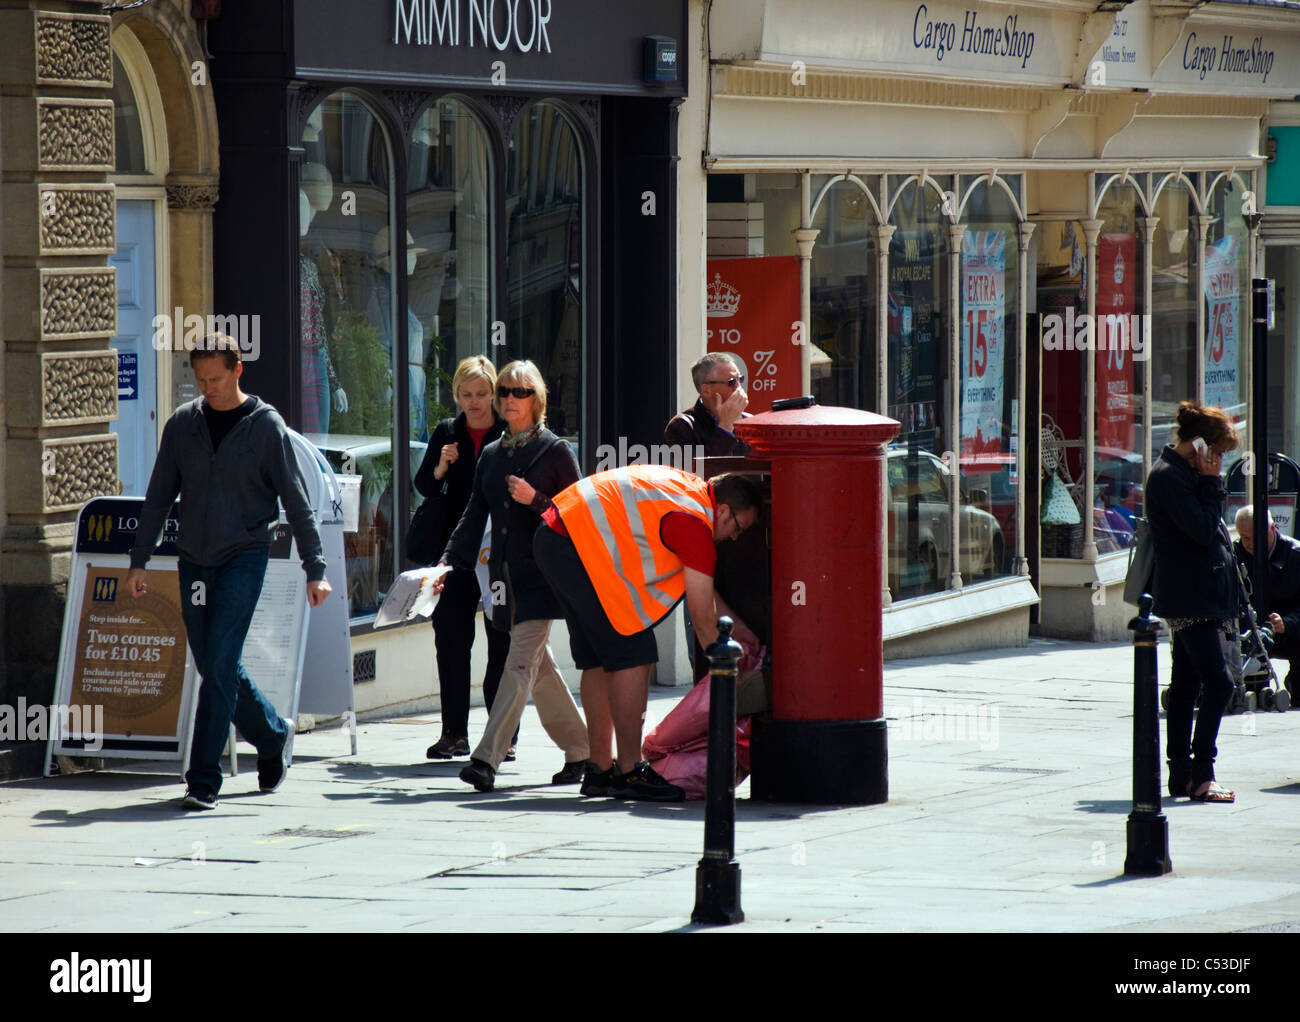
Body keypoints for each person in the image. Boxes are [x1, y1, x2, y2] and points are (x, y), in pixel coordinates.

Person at [125, 334, 332, 810]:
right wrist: (140, 561)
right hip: (194, 559)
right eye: (200, 380)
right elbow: (158, 497)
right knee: (216, 664)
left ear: (239, 371)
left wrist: (314, 568)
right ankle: (273, 734)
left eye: (216, 379)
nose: (208, 387)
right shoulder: (182, 425)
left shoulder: (266, 427)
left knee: (218, 664)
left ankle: (201, 780)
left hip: (244, 554)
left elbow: (298, 502)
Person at [533, 465, 762, 801]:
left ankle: (598, 770)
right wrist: (727, 672)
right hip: (576, 542)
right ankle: (629, 771)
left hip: (556, 535)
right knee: (634, 653)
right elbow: (702, 619)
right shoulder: (696, 524)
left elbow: (704, 591)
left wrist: (740, 631)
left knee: (599, 660)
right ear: (724, 510)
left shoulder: (688, 495)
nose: (735, 537)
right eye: (739, 527)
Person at [434, 360, 589, 792]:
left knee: (516, 663)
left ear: (537, 399)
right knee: (540, 670)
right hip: (502, 577)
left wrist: (536, 499)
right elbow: (472, 515)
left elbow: (579, 516)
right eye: (503, 391)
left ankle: (486, 759)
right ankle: (583, 751)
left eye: (519, 392)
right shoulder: (492, 454)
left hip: (542, 579)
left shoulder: (556, 451)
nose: (508, 399)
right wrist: (448, 562)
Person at [413, 356, 510, 760]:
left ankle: (502, 736)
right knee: (451, 641)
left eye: (482, 394)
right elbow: (424, 486)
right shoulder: (447, 432)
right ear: (457, 395)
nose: (475, 402)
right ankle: (453, 732)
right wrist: (441, 465)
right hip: (455, 554)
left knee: (502, 644)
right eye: (467, 395)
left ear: (494, 393)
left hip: (500, 553)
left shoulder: (509, 431)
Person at [1144, 400, 1239, 803]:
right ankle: (1202, 773)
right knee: (1219, 683)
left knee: (1186, 685)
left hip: (1193, 593)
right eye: (1217, 452)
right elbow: (1202, 529)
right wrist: (1211, 481)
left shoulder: (1181, 473)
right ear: (1199, 445)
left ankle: (1181, 774)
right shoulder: (1171, 478)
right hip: (1188, 597)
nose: (1219, 461)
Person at [1234, 507, 1300, 693]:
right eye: (1244, 537)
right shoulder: (1236, 554)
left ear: (1273, 528)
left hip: (1286, 629)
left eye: (1255, 536)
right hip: (1250, 630)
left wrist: (1287, 622)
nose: (1250, 543)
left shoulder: (1295, 555)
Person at [663, 353, 752, 458]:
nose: (738, 387)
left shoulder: (749, 422)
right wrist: (726, 426)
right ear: (706, 391)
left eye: (740, 379)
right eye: (731, 382)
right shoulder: (682, 426)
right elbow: (700, 471)